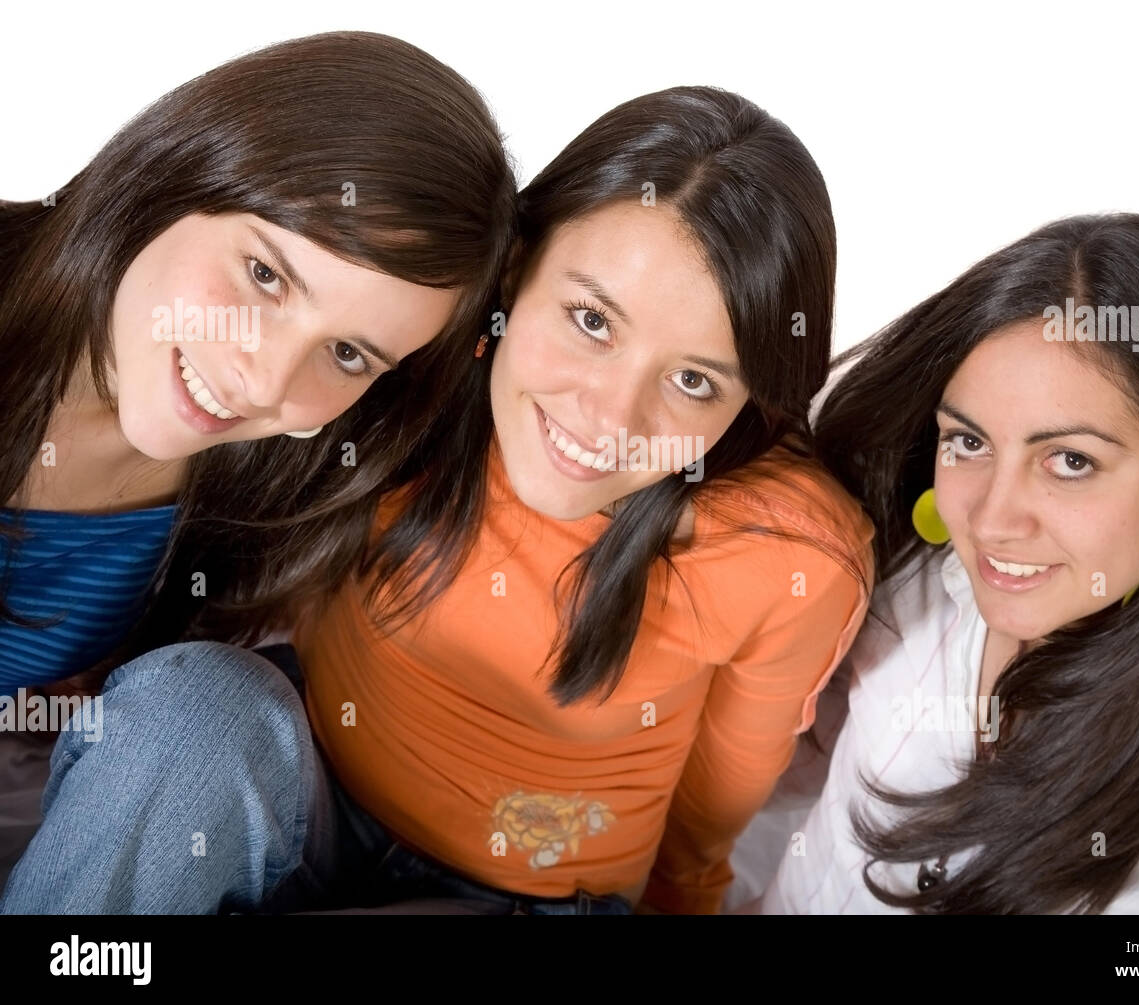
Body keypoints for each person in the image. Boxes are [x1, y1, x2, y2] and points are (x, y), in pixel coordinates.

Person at [1, 85, 872, 915]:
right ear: (514, 273)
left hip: (520, 895)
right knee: (183, 709)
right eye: (592, 321)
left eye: (691, 380)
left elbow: (712, 810)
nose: (609, 417)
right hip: (301, 783)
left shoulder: (788, 554)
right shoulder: (400, 371)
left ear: (749, 401)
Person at [760, 213, 1139, 914]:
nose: (990, 519)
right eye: (968, 441)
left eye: (1070, 461)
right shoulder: (913, 580)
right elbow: (772, 804)